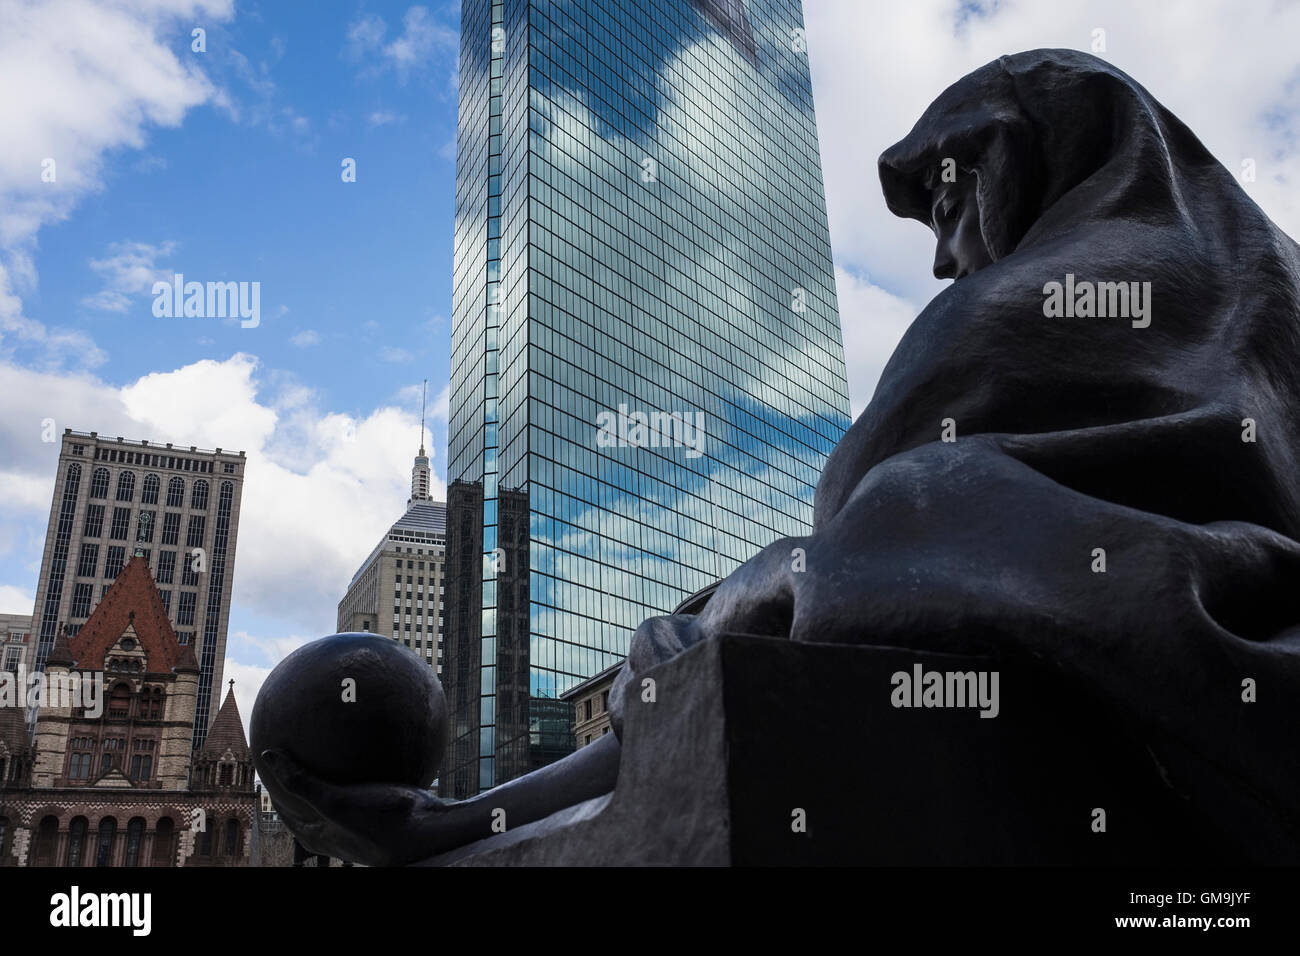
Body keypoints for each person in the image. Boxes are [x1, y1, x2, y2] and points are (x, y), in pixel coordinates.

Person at [260, 49, 1300, 865]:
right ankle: (471, 817)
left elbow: (860, 516)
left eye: (945, 205)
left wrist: (760, 584)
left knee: (830, 556)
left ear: (1020, 151)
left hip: (1182, 655)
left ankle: (463, 821)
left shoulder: (1032, 298)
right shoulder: (1264, 283)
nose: (944, 258)